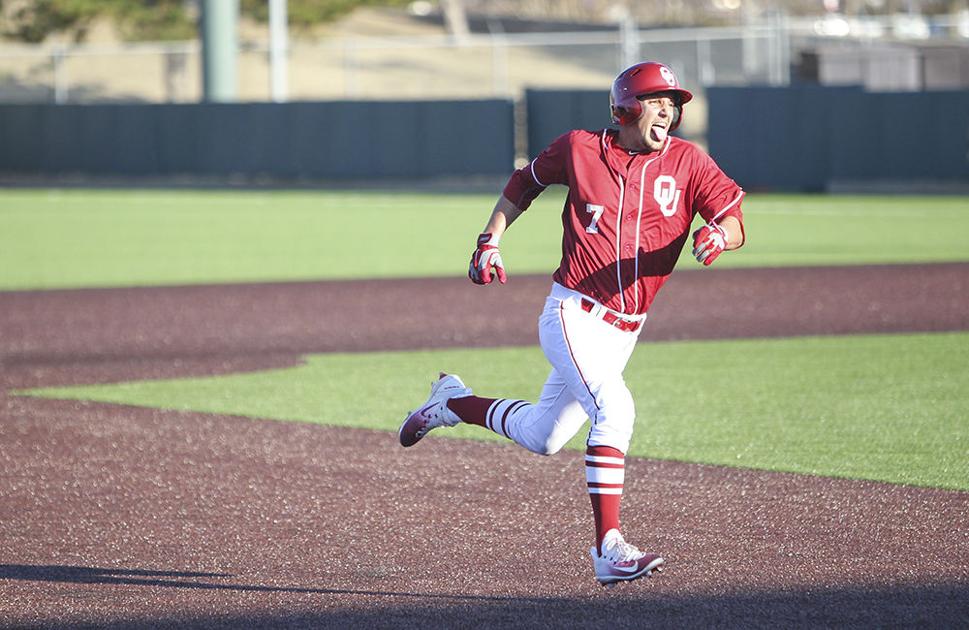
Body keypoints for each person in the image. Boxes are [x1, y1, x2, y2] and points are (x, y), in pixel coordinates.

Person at [398, 61, 745, 586]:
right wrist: (489, 240)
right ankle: (609, 548)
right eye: (656, 101)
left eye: (672, 104)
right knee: (616, 409)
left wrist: (721, 235)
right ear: (626, 107)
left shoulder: (689, 161)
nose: (667, 112)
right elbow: (523, 184)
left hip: (625, 330)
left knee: (544, 436)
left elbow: (733, 220)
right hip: (572, 312)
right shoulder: (580, 148)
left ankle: (451, 402)